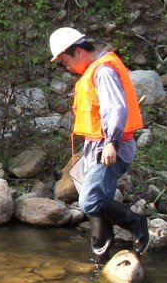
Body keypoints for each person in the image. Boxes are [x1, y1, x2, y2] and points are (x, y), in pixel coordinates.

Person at [49, 27, 150, 263]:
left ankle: (136, 222)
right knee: (97, 197)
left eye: (65, 62)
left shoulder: (103, 71)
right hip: (96, 146)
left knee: (90, 200)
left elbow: (116, 109)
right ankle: (100, 252)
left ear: (78, 52)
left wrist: (111, 144)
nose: (67, 68)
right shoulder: (95, 70)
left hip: (110, 147)